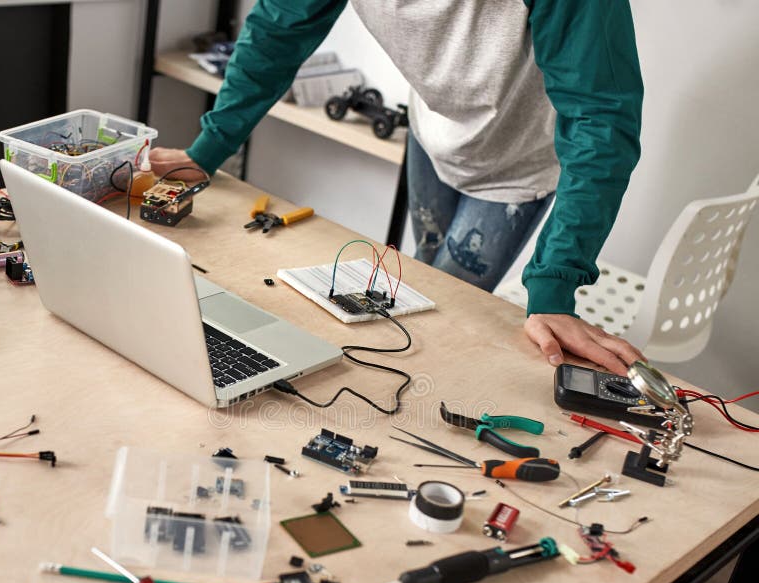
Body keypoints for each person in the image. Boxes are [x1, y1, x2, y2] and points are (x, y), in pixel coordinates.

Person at [151, 0, 646, 376]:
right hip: (432, 131)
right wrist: (208, 150)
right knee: (414, 299)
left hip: (514, 161)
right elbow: (277, 31)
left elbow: (600, 118)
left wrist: (554, 291)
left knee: (440, 326)